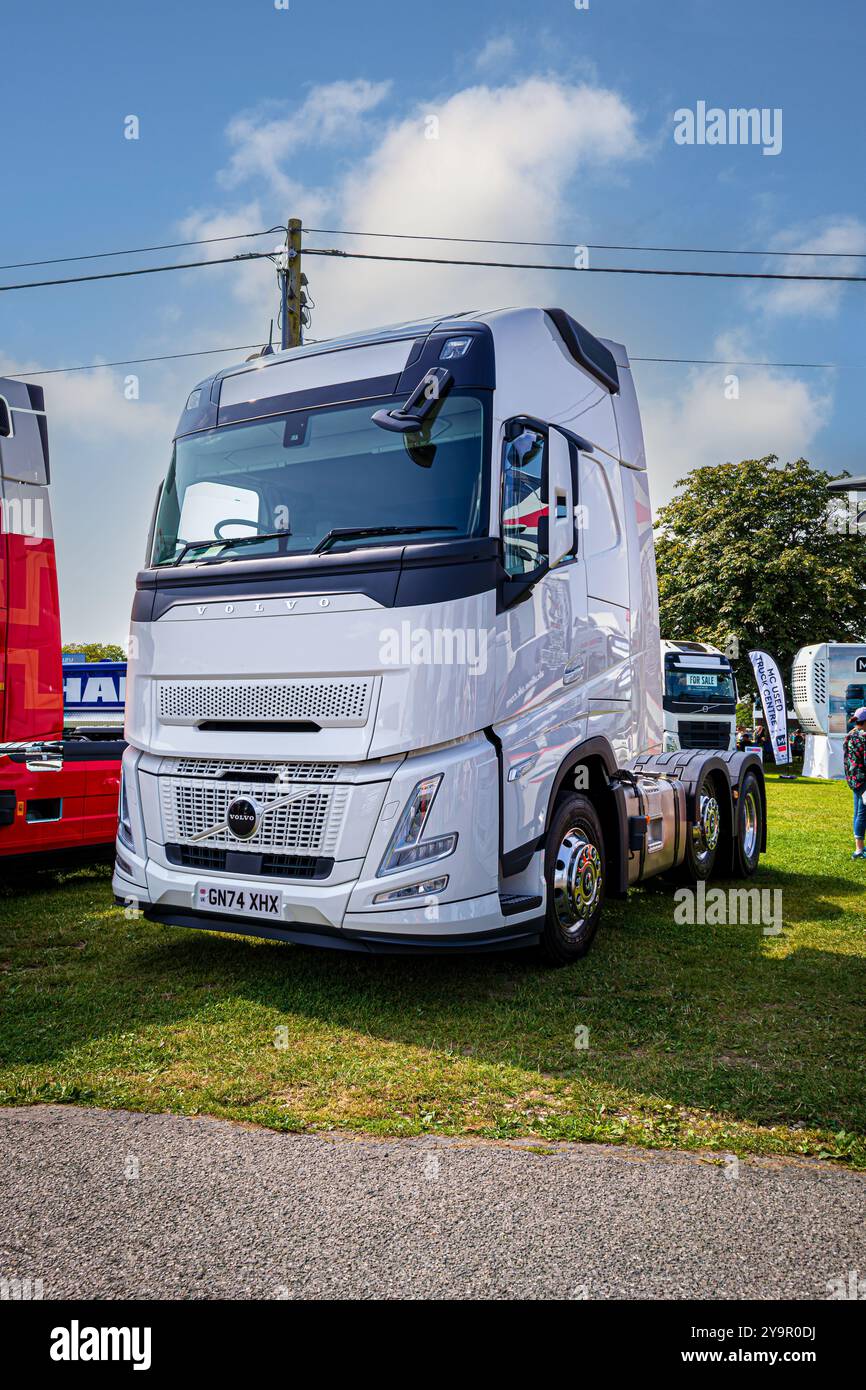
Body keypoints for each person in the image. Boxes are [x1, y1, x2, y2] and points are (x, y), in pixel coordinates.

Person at [843, 706, 866, 859]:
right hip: (864, 778)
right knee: (862, 814)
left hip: (853, 778)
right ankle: (859, 850)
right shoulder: (864, 736)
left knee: (858, 812)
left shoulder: (850, 734)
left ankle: (858, 847)